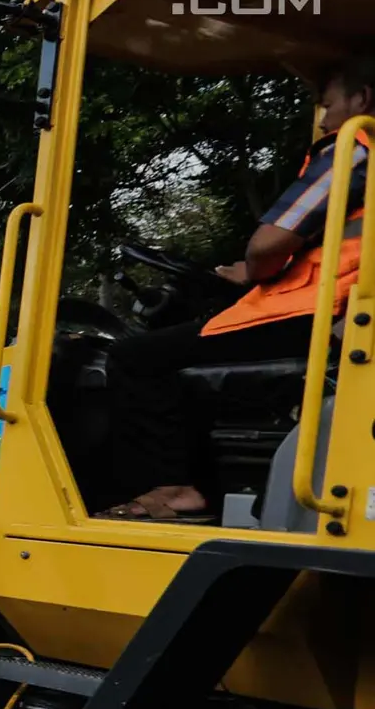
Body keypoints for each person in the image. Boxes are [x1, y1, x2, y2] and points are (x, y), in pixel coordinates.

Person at [108, 58, 375, 519]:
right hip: (345, 312)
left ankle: (173, 491)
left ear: (362, 99)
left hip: (316, 312)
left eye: (327, 105)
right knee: (187, 362)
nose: (322, 120)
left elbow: (269, 243)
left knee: (135, 359)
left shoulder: (355, 149)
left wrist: (252, 272)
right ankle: (215, 495)